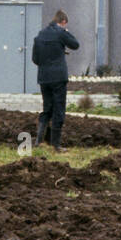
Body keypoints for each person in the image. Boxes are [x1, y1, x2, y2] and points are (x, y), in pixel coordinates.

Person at [30, 10, 79, 152]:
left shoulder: (40, 35)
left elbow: (35, 59)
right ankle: (56, 145)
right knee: (59, 109)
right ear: (63, 22)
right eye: (65, 25)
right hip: (58, 77)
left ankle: (38, 141)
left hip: (44, 77)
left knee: (47, 108)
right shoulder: (61, 32)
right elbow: (75, 44)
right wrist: (66, 32)